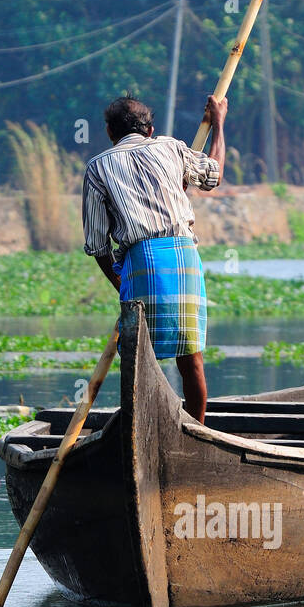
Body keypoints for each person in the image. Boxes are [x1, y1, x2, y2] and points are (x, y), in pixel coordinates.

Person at [82, 93, 228, 423]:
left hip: (140, 261)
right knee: (191, 358)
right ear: (150, 130)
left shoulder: (98, 168)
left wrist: (120, 285)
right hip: (183, 255)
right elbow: (213, 175)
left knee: (137, 360)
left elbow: (97, 246)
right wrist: (218, 122)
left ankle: (143, 426)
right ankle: (197, 430)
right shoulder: (170, 147)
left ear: (110, 133)